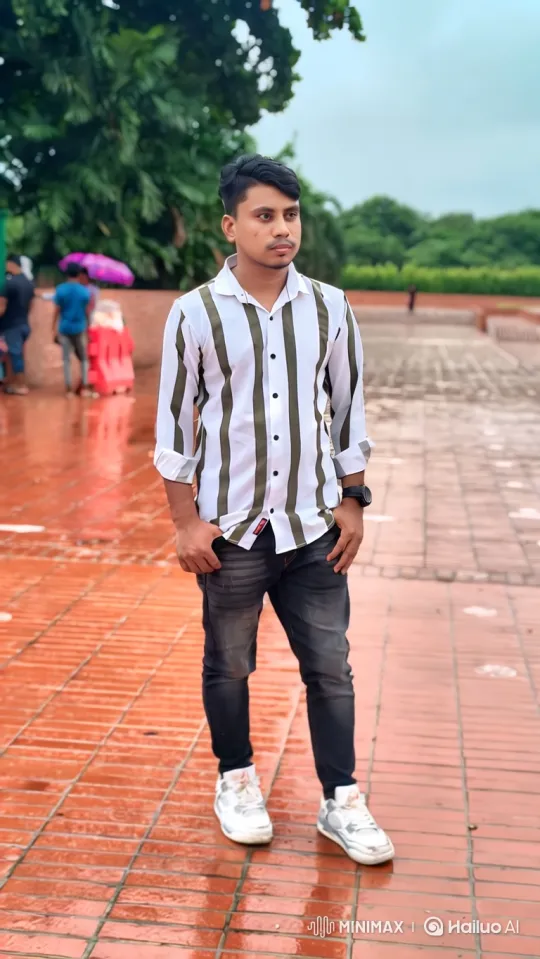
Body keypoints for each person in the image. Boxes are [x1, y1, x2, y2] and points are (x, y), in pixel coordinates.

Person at [154, 154, 394, 866]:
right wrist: (185, 520)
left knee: (331, 666)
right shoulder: (193, 313)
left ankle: (341, 799)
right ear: (231, 225)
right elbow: (175, 426)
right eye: (265, 215)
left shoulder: (330, 306)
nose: (281, 228)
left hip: (315, 526)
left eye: (290, 214)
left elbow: (348, 411)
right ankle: (237, 781)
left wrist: (353, 501)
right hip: (232, 531)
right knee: (228, 663)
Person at [53, 263, 92, 396]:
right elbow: (87, 312)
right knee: (84, 358)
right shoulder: (85, 291)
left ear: (67, 274)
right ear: (79, 274)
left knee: (66, 359)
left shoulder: (60, 290)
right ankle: (85, 387)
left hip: (64, 328)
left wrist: (53, 328)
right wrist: (89, 328)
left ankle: (68, 389)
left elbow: (57, 310)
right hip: (80, 328)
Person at [0, 254, 35, 395]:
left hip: (11, 325)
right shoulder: (28, 282)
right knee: (15, 354)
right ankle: (12, 383)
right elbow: (31, 305)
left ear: (10, 264)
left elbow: (1, 307)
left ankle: (21, 385)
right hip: (24, 324)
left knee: (15, 354)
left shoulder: (9, 284)